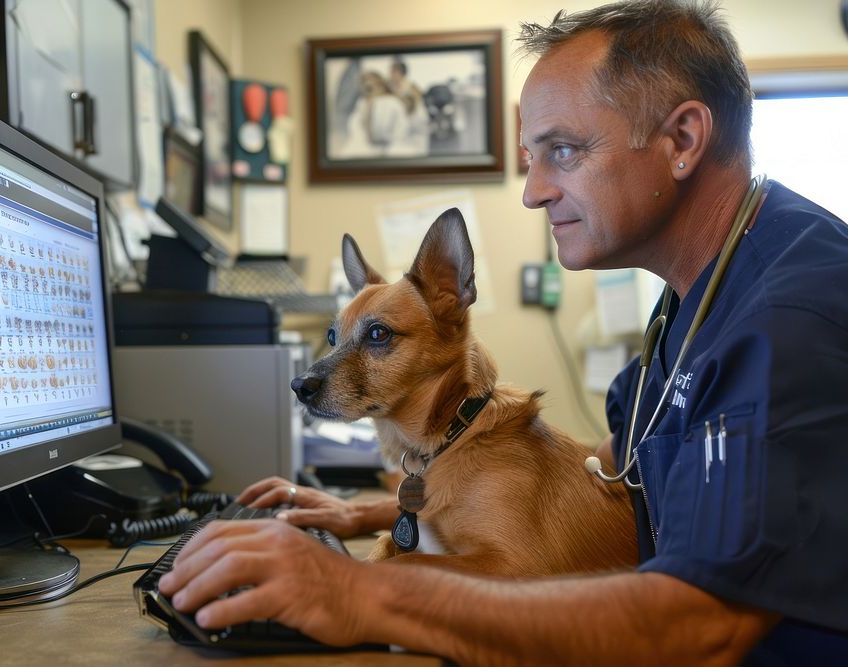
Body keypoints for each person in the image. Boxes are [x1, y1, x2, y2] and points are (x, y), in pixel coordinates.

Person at [159, 1, 848, 662]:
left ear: (683, 139)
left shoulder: (786, 319)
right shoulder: (699, 296)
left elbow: (701, 628)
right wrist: (367, 513)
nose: (533, 190)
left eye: (564, 150)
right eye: (530, 157)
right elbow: (619, 464)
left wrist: (355, 589)